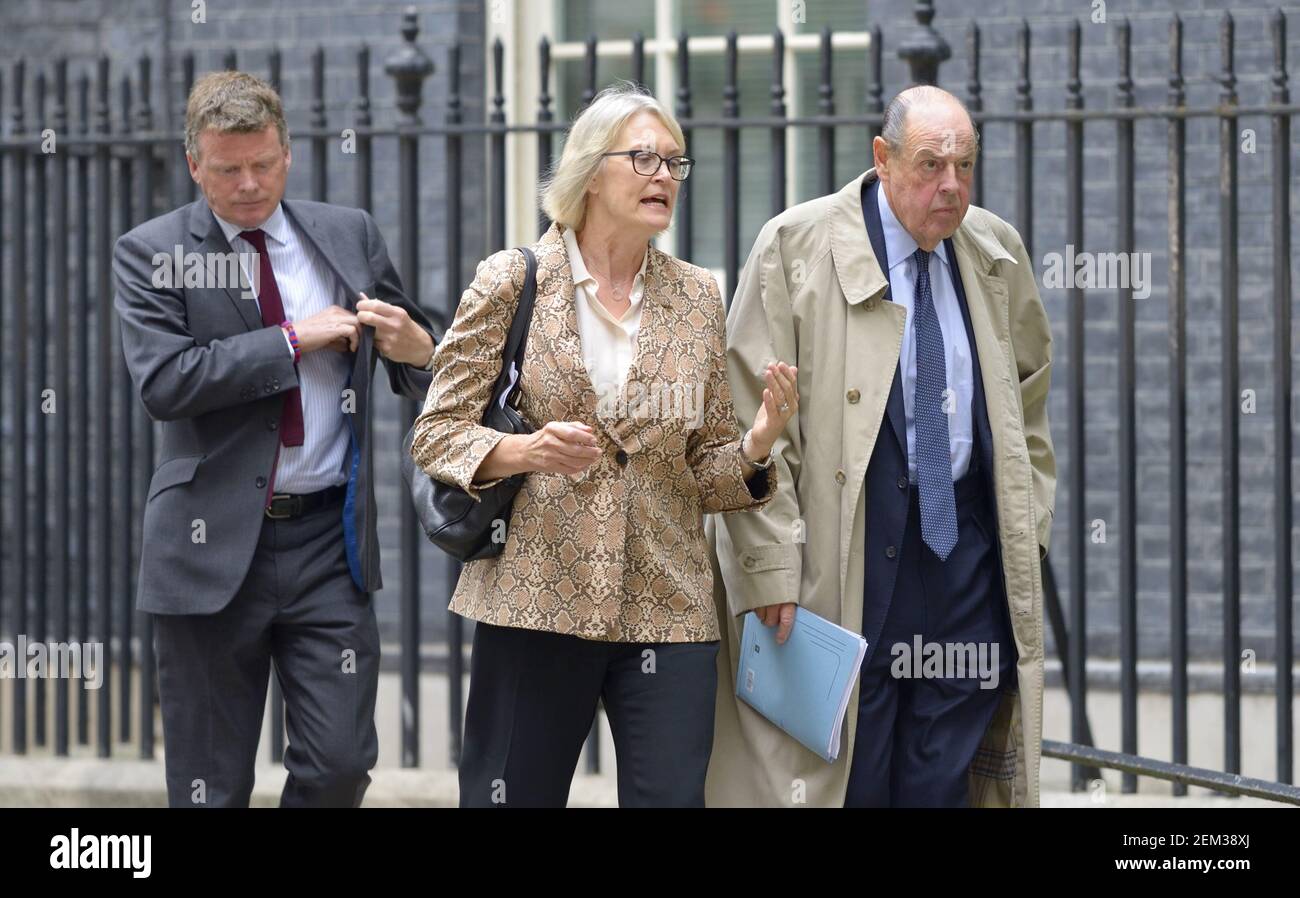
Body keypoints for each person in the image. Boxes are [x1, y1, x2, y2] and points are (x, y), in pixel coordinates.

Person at [410, 83, 797, 808]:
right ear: (590, 170)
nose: (664, 177)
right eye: (644, 158)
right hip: (536, 597)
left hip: (667, 602)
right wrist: (525, 453)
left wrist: (755, 444)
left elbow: (705, 468)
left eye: (675, 164)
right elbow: (435, 433)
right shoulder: (512, 278)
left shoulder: (699, 295)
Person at [707, 85, 1056, 807]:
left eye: (964, 165)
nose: (950, 186)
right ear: (883, 158)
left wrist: (1028, 534)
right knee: (850, 780)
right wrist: (771, 565)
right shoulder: (794, 247)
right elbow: (749, 422)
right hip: (848, 564)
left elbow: (1028, 411)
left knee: (942, 787)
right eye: (930, 165)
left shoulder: (995, 251)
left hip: (966, 567)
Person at [114, 71, 442, 807]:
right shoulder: (151, 252)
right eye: (227, 169)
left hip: (328, 542)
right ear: (194, 163)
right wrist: (292, 337)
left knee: (339, 764)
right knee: (211, 786)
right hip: (206, 548)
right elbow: (165, 382)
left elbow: (426, 357)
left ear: (287, 154)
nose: (248, 184)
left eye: (263, 164)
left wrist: (418, 347)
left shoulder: (347, 233)